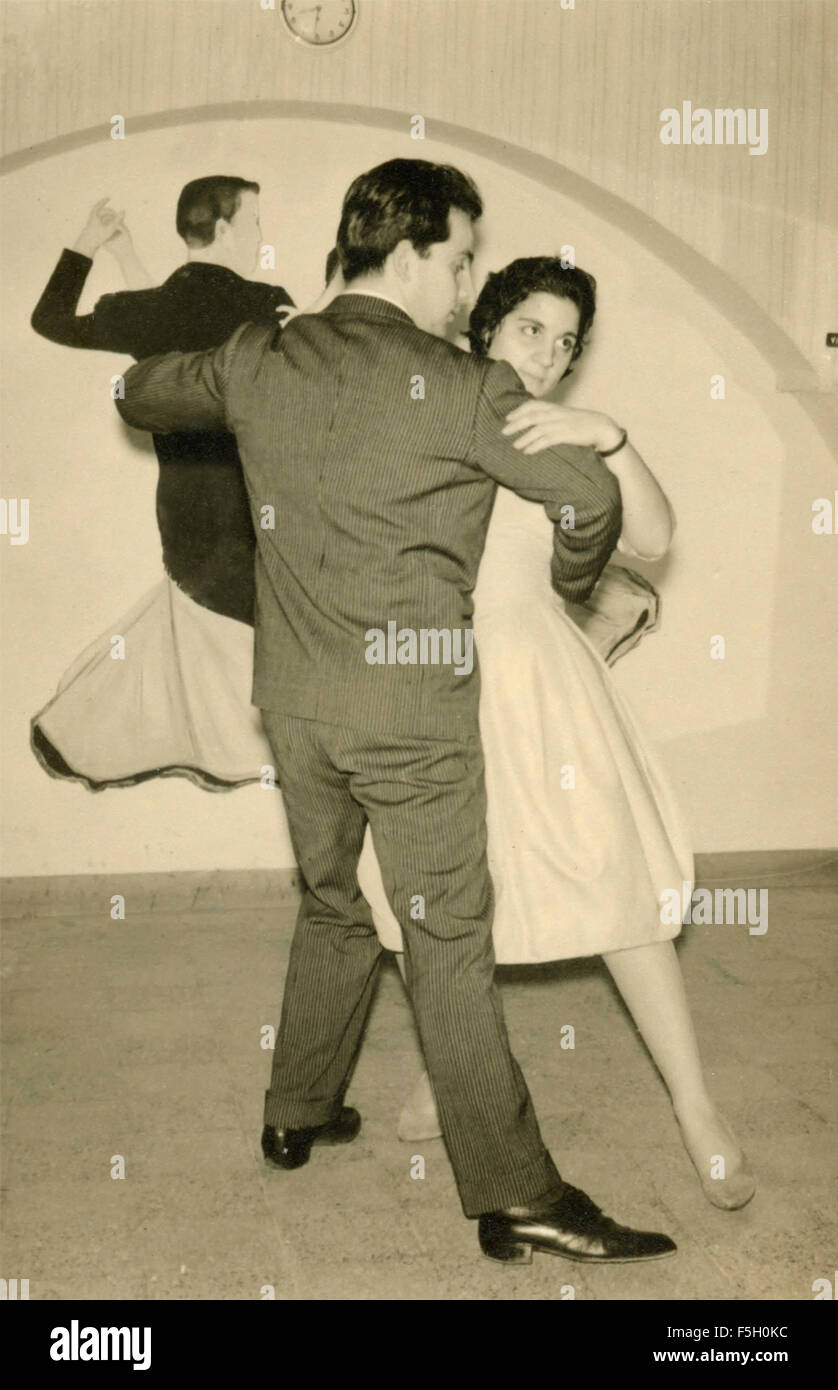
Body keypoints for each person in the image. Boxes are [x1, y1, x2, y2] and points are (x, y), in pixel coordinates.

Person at [115, 157, 677, 1266]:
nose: (468, 286)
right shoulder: (467, 387)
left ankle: (296, 1109)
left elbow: (136, 392)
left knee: (332, 904)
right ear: (414, 252)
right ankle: (513, 1193)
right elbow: (591, 500)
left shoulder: (261, 353)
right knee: (445, 940)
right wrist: (571, 575)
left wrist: (234, 353)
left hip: (296, 702)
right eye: (462, 259)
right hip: (414, 713)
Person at [358, 256, 755, 1211]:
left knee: (610, 876)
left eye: (566, 341)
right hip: (430, 680)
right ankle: (452, 1073)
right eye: (530, 328)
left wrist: (609, 436)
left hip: (539, 679)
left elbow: (653, 537)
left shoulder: (559, 440)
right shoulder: (429, 407)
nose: (548, 353)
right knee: (443, 889)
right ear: (484, 330)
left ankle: (698, 1107)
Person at [29, 178, 295, 789]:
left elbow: (56, 320)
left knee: (208, 653)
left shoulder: (144, 311)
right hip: (259, 518)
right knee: (265, 660)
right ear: (224, 229)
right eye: (254, 222)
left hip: (186, 527)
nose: (260, 237)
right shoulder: (267, 301)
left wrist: (92, 243)